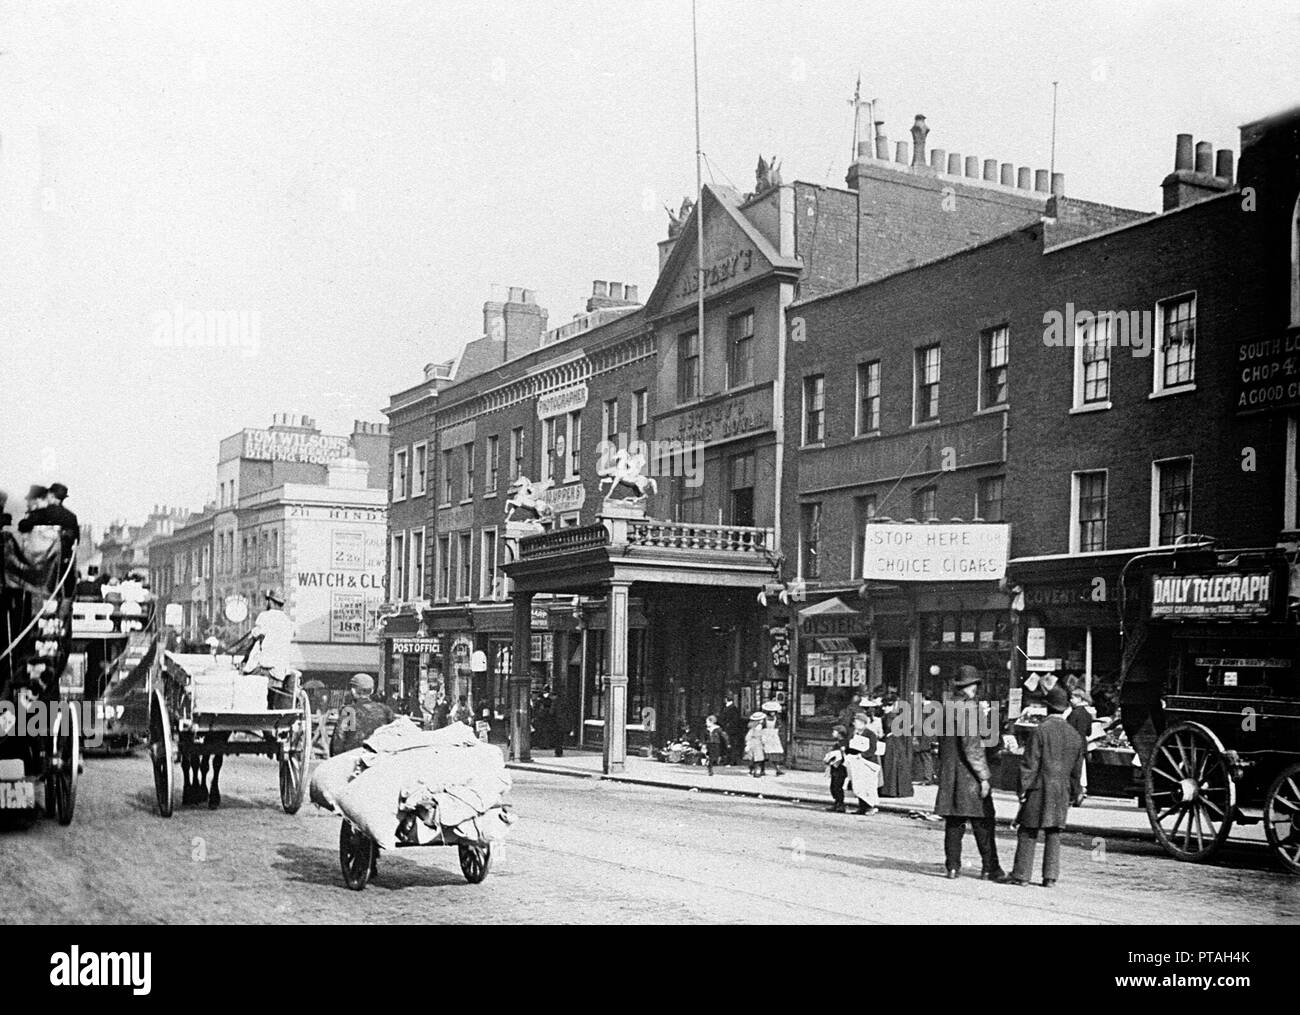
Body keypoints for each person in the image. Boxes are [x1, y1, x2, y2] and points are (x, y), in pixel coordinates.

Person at [934, 666, 1009, 882]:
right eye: (975, 684)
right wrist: (984, 777)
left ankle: (953, 868)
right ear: (971, 686)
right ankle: (989, 868)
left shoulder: (946, 708)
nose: (976, 688)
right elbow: (972, 747)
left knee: (954, 823)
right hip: (969, 775)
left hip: (951, 774)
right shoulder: (968, 708)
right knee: (983, 821)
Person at [1009, 686, 1085, 887]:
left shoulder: (1040, 731)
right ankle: (1050, 877)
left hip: (1039, 787)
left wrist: (1022, 789)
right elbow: (1077, 770)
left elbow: (1030, 764)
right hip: (1061, 790)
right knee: (1053, 833)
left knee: (1028, 830)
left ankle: (1021, 875)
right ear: (1065, 708)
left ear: (1047, 707)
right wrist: (1075, 792)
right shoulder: (1075, 736)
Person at [330, 674, 395, 756]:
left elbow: (339, 740)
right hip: (379, 759)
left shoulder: (350, 711)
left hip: (354, 760)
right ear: (372, 691)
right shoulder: (385, 710)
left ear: (353, 691)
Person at [845, 711, 881, 814]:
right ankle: (861, 806)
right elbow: (850, 746)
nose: (855, 724)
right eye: (855, 722)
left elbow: (872, 749)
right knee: (858, 785)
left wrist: (862, 755)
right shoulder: (854, 733)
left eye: (858, 722)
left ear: (864, 723)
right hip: (856, 763)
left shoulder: (870, 734)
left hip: (868, 763)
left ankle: (870, 806)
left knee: (868, 786)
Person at [880, 694, 914, 797]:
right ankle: (897, 790)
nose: (884, 708)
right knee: (896, 765)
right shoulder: (895, 716)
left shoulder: (890, 716)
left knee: (891, 765)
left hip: (891, 742)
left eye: (886, 706)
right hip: (896, 742)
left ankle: (890, 790)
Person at [1066, 687, 1094, 799]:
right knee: (1079, 770)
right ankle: (1080, 791)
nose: (1071, 700)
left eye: (1072, 698)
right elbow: (1089, 732)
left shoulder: (1074, 714)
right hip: (1083, 745)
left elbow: (1069, 730)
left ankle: (1074, 794)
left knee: (1072, 771)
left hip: (1072, 745)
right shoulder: (1087, 714)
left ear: (1079, 698)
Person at [824, 723, 850, 812]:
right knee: (833, 786)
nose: (832, 733)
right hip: (835, 767)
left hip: (841, 768)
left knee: (838, 786)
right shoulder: (837, 743)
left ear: (840, 733)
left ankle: (841, 804)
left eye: (834, 732)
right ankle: (836, 802)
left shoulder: (845, 743)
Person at [720, 694, 742, 765]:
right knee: (728, 745)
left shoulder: (732, 709)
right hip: (729, 729)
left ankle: (731, 760)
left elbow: (734, 720)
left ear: (726, 699)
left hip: (730, 730)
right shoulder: (730, 708)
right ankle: (728, 760)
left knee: (730, 745)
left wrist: (727, 726)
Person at [744, 711, 767, 777]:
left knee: (755, 758)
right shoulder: (755, 729)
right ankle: (755, 771)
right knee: (756, 758)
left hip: (754, 743)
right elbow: (762, 737)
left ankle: (754, 771)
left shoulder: (754, 729)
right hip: (756, 744)